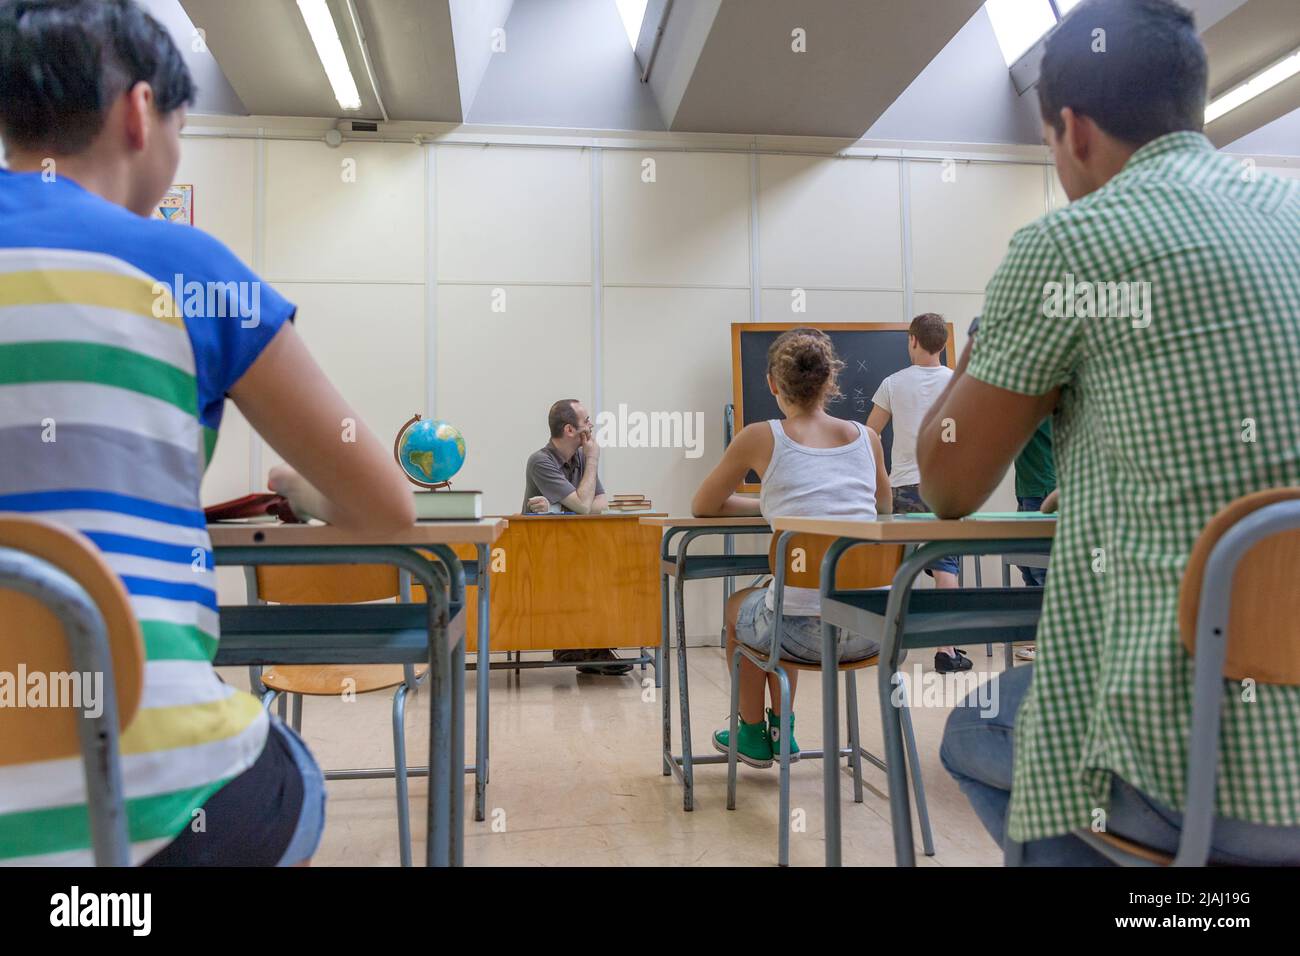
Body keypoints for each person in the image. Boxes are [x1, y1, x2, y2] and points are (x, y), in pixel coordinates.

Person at [0, 0, 414, 865]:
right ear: (139, 113)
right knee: (285, 768)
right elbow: (385, 509)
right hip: (152, 803)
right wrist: (296, 490)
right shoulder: (191, 272)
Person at [919, 0, 1300, 864]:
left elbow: (946, 487)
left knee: (978, 725)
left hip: (1193, 775)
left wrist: (990, 346)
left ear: (1073, 131)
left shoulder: (1069, 245)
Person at [692, 328, 890, 767]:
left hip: (798, 634)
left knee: (750, 607)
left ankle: (750, 733)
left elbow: (704, 505)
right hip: (871, 630)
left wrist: (772, 507)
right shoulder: (867, 438)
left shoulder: (759, 436)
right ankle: (785, 728)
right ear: (829, 382)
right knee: (787, 591)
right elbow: (883, 508)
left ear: (773, 384)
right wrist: (782, 509)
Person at [866, 313, 969, 673]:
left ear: (912, 340)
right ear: (942, 344)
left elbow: (870, 434)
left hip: (904, 484)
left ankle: (887, 640)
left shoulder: (893, 383)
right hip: (946, 484)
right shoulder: (959, 381)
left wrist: (879, 474)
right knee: (946, 563)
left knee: (895, 564)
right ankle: (947, 650)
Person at [521, 398, 631, 676]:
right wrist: (593, 459)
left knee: (610, 564)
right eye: (587, 422)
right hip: (540, 553)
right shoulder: (541, 461)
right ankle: (581, 648)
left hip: (574, 546)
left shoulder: (579, 458)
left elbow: (601, 503)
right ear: (570, 430)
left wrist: (558, 507)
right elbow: (584, 506)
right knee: (588, 571)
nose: (591, 427)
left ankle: (593, 647)